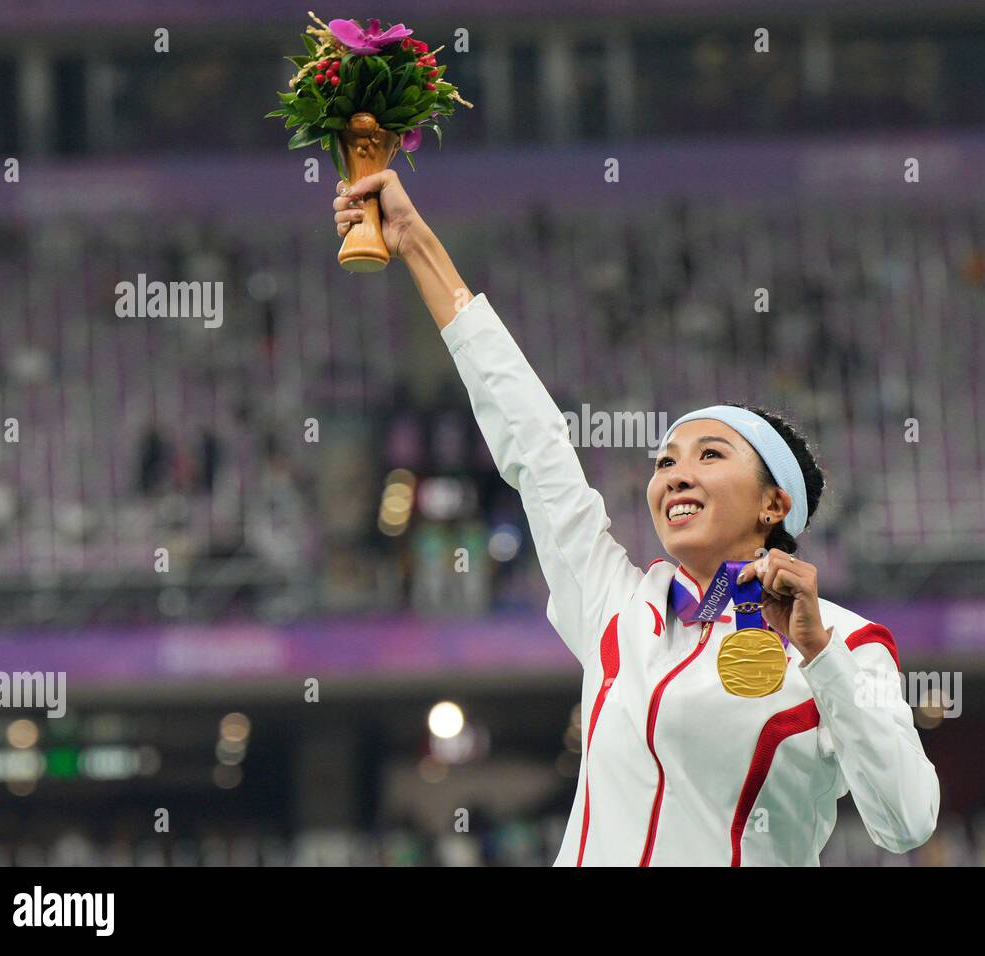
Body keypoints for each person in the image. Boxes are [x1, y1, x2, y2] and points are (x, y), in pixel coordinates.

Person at [332, 170, 939, 866]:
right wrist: (415, 242)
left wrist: (818, 654)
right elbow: (535, 445)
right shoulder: (621, 606)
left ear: (774, 503)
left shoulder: (848, 645)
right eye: (664, 462)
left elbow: (906, 819)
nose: (676, 473)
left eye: (710, 455)